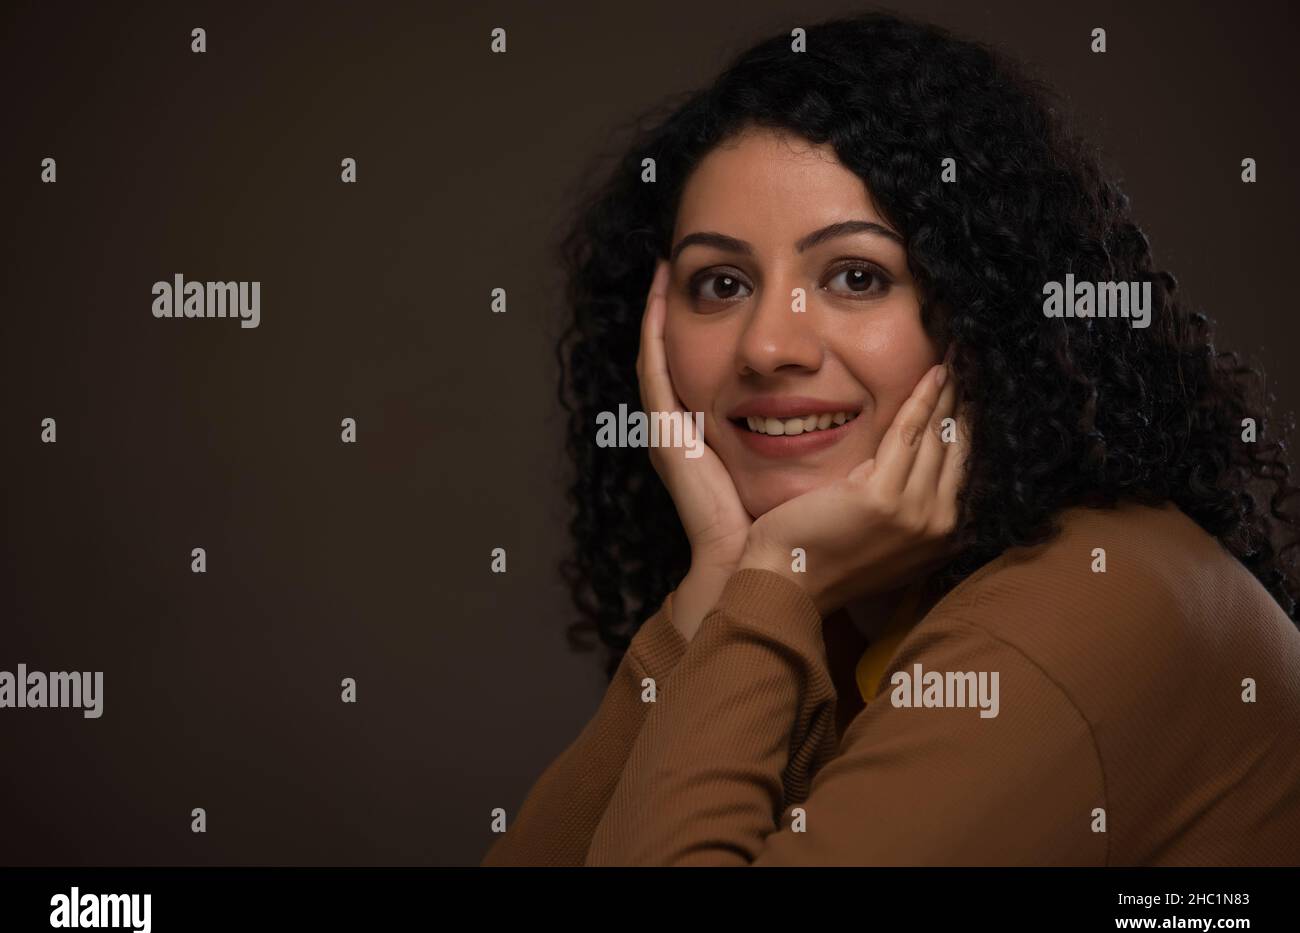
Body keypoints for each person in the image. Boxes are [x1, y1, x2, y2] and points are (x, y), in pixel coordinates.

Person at [483, 11, 1300, 866]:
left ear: (986, 312)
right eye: (720, 283)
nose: (769, 346)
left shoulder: (1083, 603)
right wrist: (720, 588)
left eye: (856, 276)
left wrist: (763, 587)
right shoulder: (843, 601)